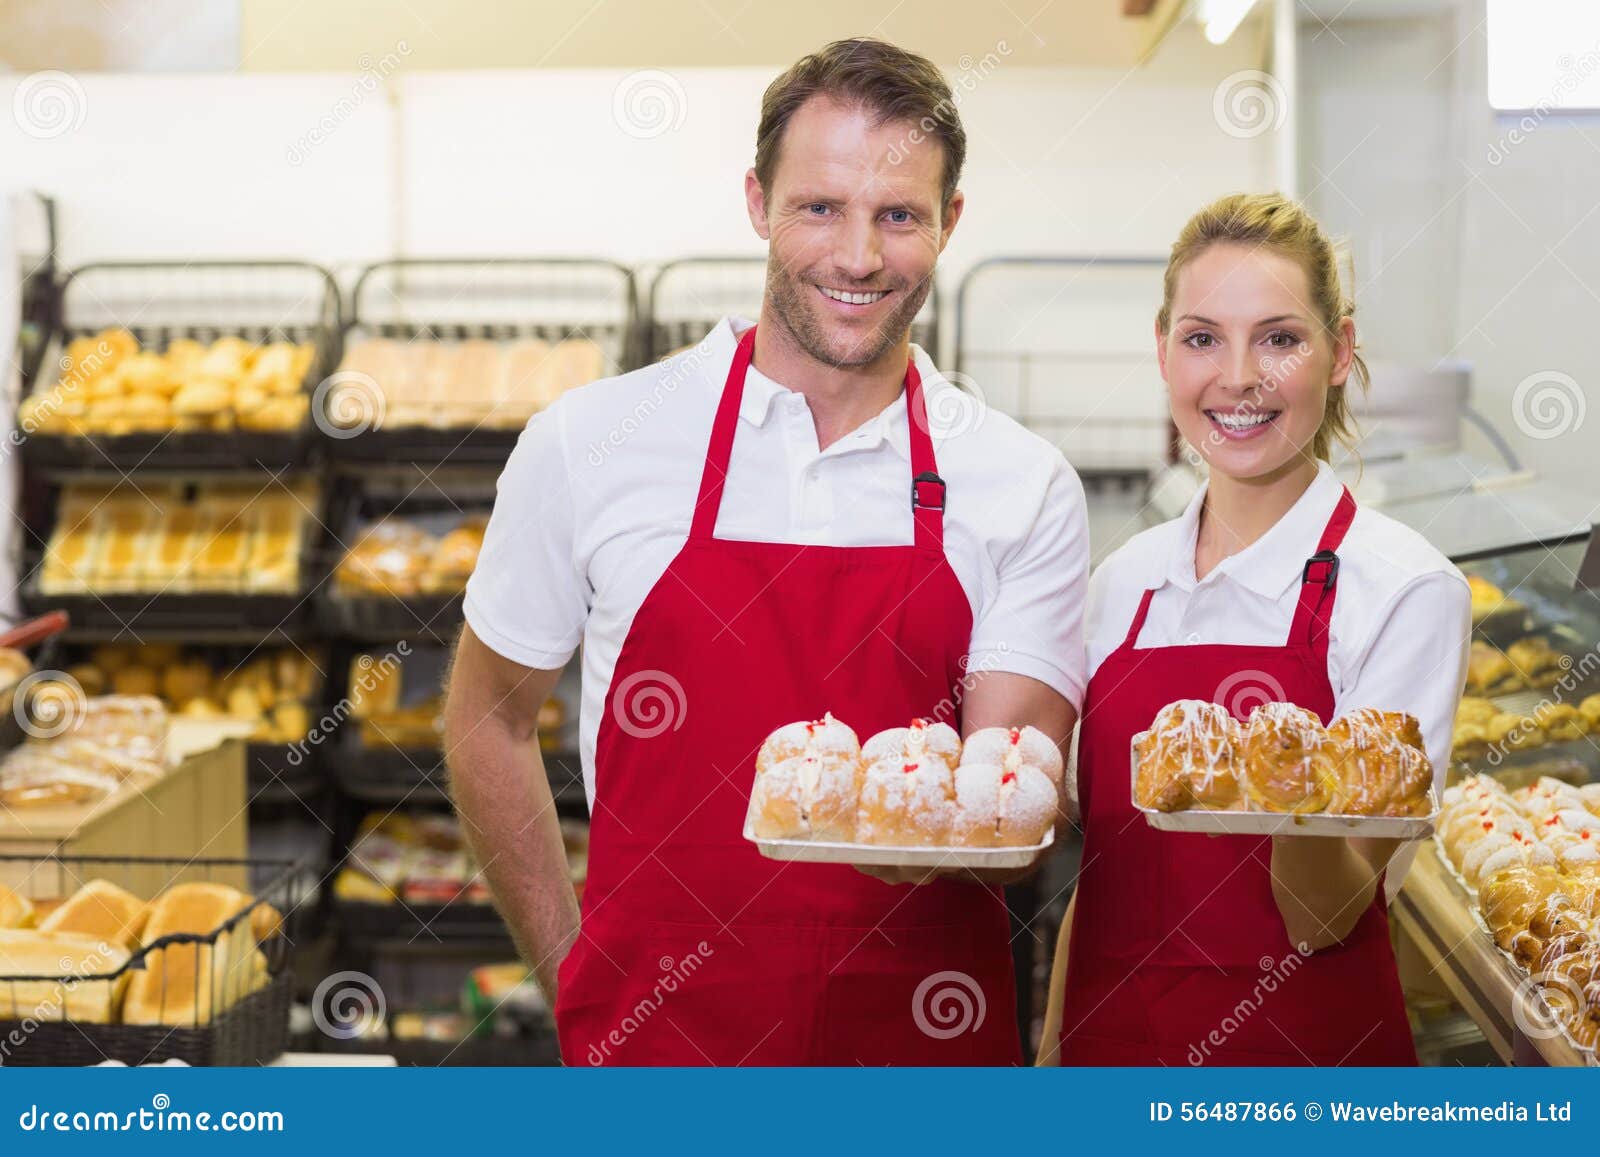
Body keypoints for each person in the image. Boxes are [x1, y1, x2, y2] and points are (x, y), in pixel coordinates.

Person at [446, 38, 1090, 1066]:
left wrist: (933, 832)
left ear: (949, 222)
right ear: (757, 202)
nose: (857, 257)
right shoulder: (595, 439)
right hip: (655, 1059)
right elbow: (487, 716)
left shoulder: (1021, 482)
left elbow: (1011, 807)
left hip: (922, 1057)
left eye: (898, 215)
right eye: (819, 207)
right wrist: (575, 977)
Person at [1039, 192, 1470, 1066]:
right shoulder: (1122, 583)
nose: (1238, 376)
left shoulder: (1405, 589)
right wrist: (1049, 1057)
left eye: (1279, 337)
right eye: (1203, 337)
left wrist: (1276, 780)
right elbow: (1103, 873)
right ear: (1162, 351)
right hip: (1108, 1054)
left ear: (1339, 352)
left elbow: (1323, 917)